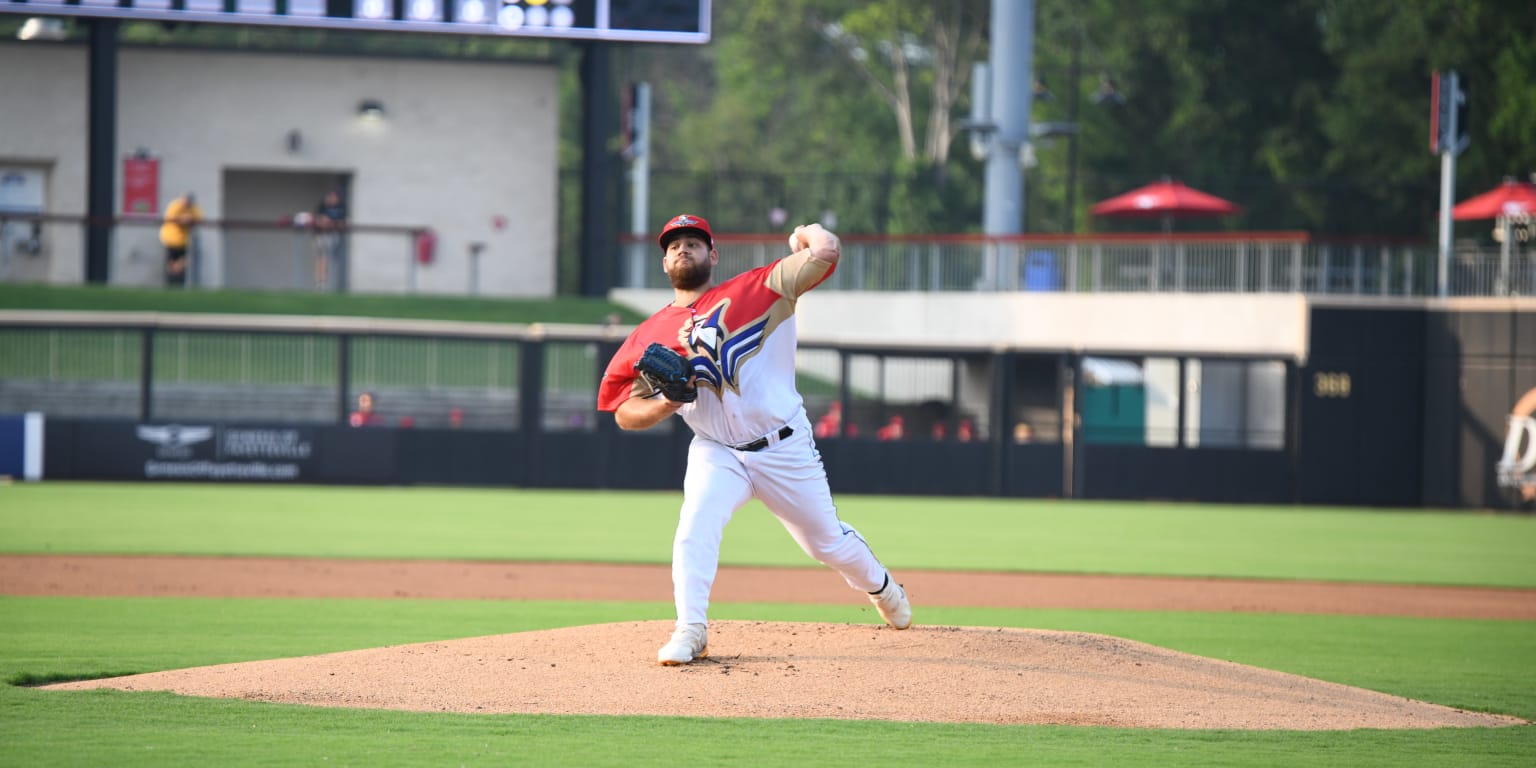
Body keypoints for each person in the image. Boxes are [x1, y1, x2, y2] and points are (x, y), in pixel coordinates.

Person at [597, 213, 913, 666]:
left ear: (713, 255)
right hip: (715, 449)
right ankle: (691, 629)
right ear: (664, 264)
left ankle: (884, 589)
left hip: (783, 445)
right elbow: (625, 415)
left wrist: (804, 232)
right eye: (673, 245)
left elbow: (825, 253)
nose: (683, 249)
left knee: (825, 543)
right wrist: (666, 404)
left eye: (693, 242)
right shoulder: (647, 336)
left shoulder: (762, 287)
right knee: (694, 527)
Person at [159, 192, 203, 287]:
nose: (186, 204)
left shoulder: (193, 208)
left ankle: (178, 282)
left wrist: (190, 219)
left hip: (183, 242)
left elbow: (199, 218)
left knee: (183, 263)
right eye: (185, 202)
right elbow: (171, 218)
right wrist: (184, 219)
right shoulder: (175, 206)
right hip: (170, 240)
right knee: (170, 264)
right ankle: (170, 283)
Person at [312, 189, 348, 290]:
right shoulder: (322, 206)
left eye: (334, 197)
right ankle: (320, 282)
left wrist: (331, 223)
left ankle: (326, 282)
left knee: (329, 259)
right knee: (321, 258)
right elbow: (319, 221)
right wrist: (328, 222)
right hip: (320, 235)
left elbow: (343, 223)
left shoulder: (341, 208)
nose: (332, 199)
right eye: (330, 197)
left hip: (333, 236)